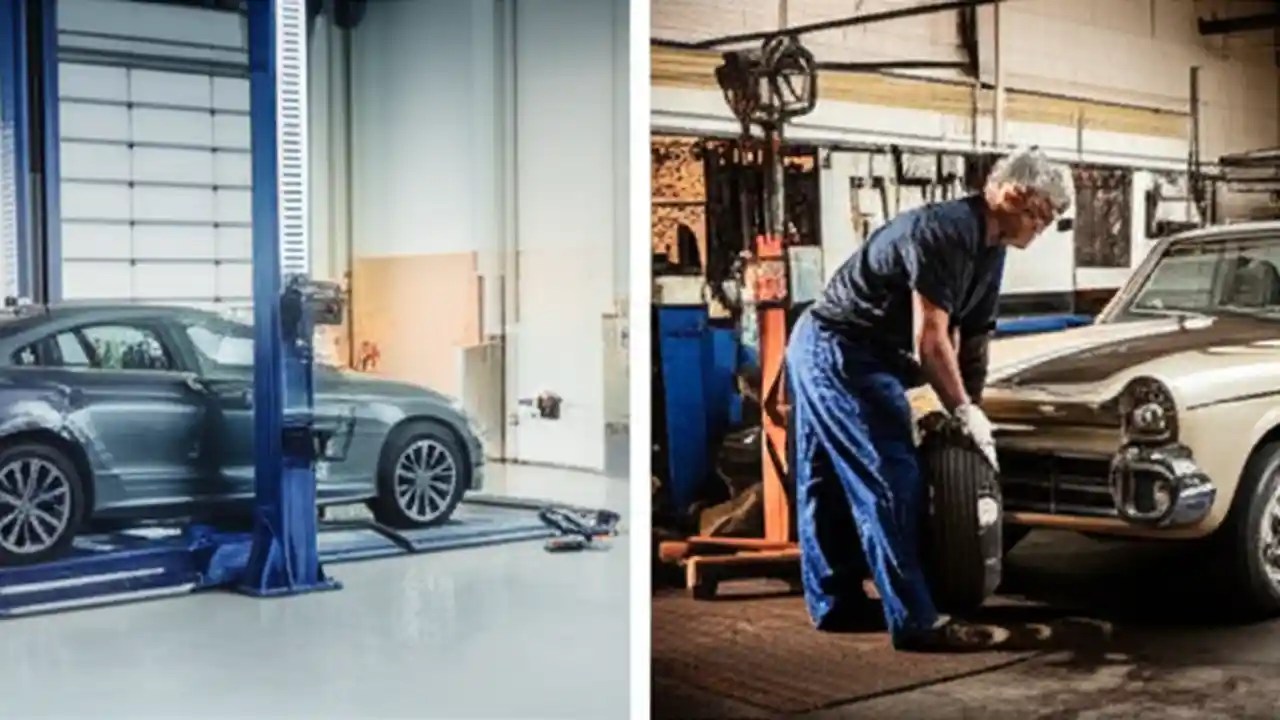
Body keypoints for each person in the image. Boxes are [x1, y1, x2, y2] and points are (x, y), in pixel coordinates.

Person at [785, 147, 1074, 652]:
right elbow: (932, 340)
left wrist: (970, 412)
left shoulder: (991, 249)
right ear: (1013, 193)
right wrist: (959, 408)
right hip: (841, 348)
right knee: (891, 479)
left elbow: (974, 337)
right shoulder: (946, 231)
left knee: (828, 480)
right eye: (1043, 213)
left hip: (848, 348)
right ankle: (917, 621)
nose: (1044, 226)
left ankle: (837, 605)